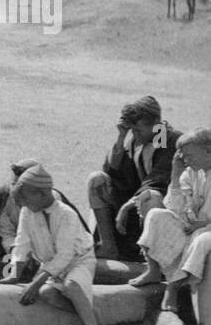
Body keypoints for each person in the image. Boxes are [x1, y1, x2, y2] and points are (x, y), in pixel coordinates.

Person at [0, 165, 107, 325]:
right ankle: (94, 315)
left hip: (79, 260)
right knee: (48, 293)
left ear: (41, 194)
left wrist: (35, 283)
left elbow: (65, 255)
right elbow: (22, 243)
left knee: (72, 285)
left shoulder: (66, 214)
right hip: (52, 266)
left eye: (25, 198)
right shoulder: (27, 212)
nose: (22, 204)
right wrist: (14, 274)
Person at [86, 96, 182, 261]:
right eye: (133, 130)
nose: (135, 134)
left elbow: (157, 182)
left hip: (164, 206)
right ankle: (109, 247)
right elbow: (113, 172)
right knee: (97, 180)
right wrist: (121, 137)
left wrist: (127, 205)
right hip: (134, 199)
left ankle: (153, 260)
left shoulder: (169, 139)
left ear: (157, 123)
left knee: (149, 197)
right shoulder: (137, 140)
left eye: (138, 130)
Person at [129, 127, 211, 312]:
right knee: (156, 215)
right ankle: (153, 271)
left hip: (206, 231)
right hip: (192, 226)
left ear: (208, 151)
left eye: (190, 155)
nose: (186, 160)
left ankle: (172, 289)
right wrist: (175, 174)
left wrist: (203, 224)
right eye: (184, 156)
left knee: (200, 236)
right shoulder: (190, 172)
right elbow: (174, 207)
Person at [0, 158, 87, 259]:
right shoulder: (5, 200)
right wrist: (16, 251)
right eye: (14, 183)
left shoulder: (53, 202)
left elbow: (60, 242)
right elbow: (7, 233)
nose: (15, 189)